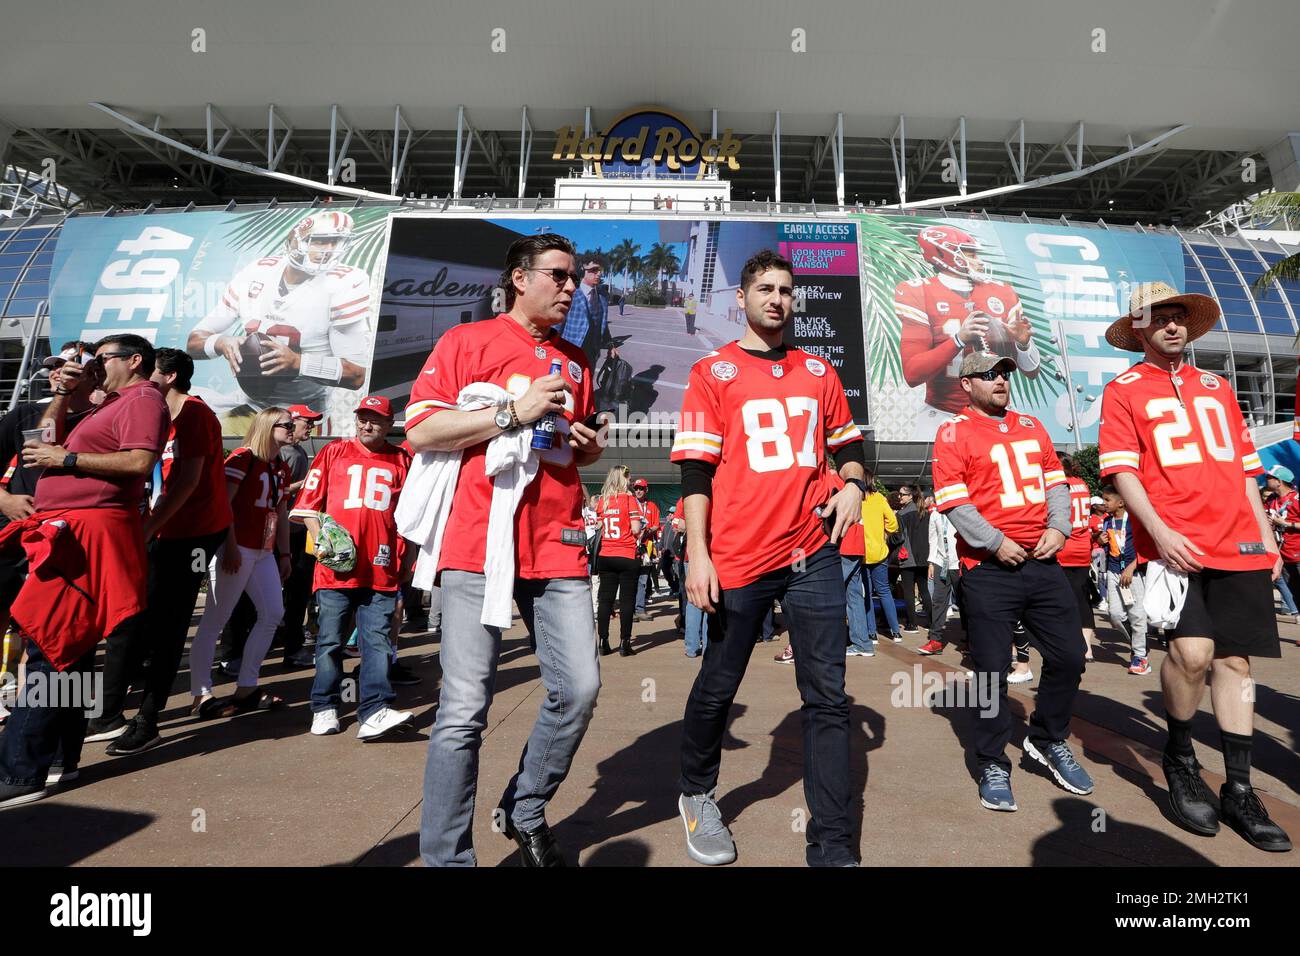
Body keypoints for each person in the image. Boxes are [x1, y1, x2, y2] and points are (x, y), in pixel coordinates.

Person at [407, 233, 605, 867]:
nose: (572, 286)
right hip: (477, 542)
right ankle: (448, 860)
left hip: (559, 542)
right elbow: (421, 430)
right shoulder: (466, 341)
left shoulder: (577, 360)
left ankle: (524, 806)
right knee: (464, 710)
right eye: (559, 275)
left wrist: (587, 445)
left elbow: (574, 442)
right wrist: (511, 413)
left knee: (579, 689)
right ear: (520, 278)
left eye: (574, 277)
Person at [672, 249, 866, 867]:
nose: (777, 299)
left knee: (829, 699)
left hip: (812, 552)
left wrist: (856, 485)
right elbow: (696, 474)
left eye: (785, 289)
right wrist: (697, 556)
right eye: (764, 289)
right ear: (742, 299)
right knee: (718, 687)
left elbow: (851, 447)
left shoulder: (819, 371)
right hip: (738, 554)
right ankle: (698, 792)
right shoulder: (712, 372)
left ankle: (832, 845)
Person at [1099, 281, 1291, 852]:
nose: (1172, 325)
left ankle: (1239, 787)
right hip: (1176, 543)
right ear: (1139, 328)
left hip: (1240, 542)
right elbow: (1122, 472)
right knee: (1192, 654)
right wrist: (1156, 532)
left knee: (1237, 664)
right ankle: (1180, 759)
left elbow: (1248, 471)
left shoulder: (1219, 386)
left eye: (1179, 315)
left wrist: (1266, 537)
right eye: (1158, 317)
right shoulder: (1123, 390)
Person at [0, 335, 169, 809]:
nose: (93, 366)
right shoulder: (105, 403)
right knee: (67, 648)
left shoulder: (142, 399)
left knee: (49, 641)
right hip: (72, 532)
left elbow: (139, 461)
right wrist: (62, 392)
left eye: (102, 359)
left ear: (134, 362)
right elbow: (44, 442)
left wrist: (67, 459)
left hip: (89, 533)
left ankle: (19, 772)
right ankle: (58, 758)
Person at [931, 350, 1092, 813]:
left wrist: (1059, 529)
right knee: (990, 672)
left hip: (1042, 563)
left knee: (1069, 656)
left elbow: (1056, 484)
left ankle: (1046, 738)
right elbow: (955, 504)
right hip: (988, 569)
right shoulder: (953, 432)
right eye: (988, 374)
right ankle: (990, 761)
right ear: (967, 384)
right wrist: (994, 542)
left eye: (1003, 372)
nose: (1000, 380)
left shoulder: (1032, 426)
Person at [99, 349, 236, 756]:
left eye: (148, 373)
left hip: (190, 534)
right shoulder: (153, 413)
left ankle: (149, 718)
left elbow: (188, 483)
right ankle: (106, 712)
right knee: (134, 619)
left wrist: (147, 531)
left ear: (171, 376)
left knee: (169, 624)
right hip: (160, 530)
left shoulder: (194, 414)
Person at [293, 395, 415, 740]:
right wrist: (323, 543)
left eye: (375, 419)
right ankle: (324, 705)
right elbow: (306, 507)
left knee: (377, 643)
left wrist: (407, 560)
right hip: (337, 570)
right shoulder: (333, 452)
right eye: (362, 417)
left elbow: (411, 518)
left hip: (381, 567)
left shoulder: (402, 459)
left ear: (389, 424)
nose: (366, 424)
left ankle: (374, 709)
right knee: (329, 641)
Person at [186, 211, 371, 430]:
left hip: (305, 416)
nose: (329, 250)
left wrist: (298, 363)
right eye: (320, 241)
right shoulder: (257, 272)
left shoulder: (345, 283)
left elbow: (356, 374)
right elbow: (193, 344)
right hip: (250, 405)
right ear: (294, 242)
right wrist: (221, 342)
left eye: (336, 242)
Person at [187, 408, 293, 718]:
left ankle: (247, 685)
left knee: (273, 613)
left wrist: (284, 553)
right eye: (285, 424)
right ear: (267, 426)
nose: (292, 428)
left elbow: (282, 513)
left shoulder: (280, 467)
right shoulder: (242, 458)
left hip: (263, 551)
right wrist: (229, 546)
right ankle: (200, 694)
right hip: (237, 549)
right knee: (215, 620)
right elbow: (223, 505)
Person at [896, 225, 1041, 442]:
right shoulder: (919, 292)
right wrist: (958, 340)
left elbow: (1031, 371)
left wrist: (1023, 344)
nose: (978, 260)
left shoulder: (1002, 292)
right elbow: (913, 373)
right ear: (943, 254)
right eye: (969, 252)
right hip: (942, 414)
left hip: (997, 414)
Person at [278, 403, 323, 667]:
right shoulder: (289, 454)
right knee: (295, 593)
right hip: (287, 533)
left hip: (292, 533)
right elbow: (280, 491)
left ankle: (286, 641)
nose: (311, 426)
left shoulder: (295, 452)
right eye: (307, 421)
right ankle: (292, 648)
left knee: (294, 593)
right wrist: (306, 485)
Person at [1098, 484, 1148, 674]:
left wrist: (1132, 567)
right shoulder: (1107, 522)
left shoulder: (1133, 522)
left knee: (1137, 615)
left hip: (1132, 573)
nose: (1104, 503)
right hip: (1113, 572)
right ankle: (1138, 642)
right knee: (1115, 615)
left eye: (1107, 500)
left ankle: (1140, 656)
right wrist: (1100, 540)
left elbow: (1144, 549)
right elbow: (1108, 546)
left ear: (1121, 502)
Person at [593, 466, 643, 656]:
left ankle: (603, 642)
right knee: (627, 601)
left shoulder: (603, 501)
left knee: (605, 600)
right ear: (624, 479)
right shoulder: (629, 499)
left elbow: (598, 526)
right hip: (626, 553)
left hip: (606, 554)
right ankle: (625, 642)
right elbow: (636, 528)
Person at [1058, 455, 1100, 666]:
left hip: (1063, 547)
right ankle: (1088, 648)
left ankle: (1067, 643)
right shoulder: (1082, 484)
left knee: (1061, 600)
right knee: (1083, 600)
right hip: (1083, 547)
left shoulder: (1060, 485)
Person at [558, 255, 618, 370]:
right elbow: (557, 323)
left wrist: (610, 345)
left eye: (600, 271)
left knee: (587, 385)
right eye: (594, 270)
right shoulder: (571, 293)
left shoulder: (602, 296)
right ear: (582, 271)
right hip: (570, 351)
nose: (599, 274)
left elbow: (603, 325)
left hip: (592, 353)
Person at [919, 500, 960, 654]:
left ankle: (970, 640)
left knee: (966, 602)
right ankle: (935, 640)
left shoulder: (960, 512)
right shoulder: (935, 514)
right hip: (941, 563)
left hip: (959, 563)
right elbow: (933, 539)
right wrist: (931, 562)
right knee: (938, 600)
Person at [1264, 466, 1300, 626]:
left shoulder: (1297, 499)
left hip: (1298, 551)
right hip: (1282, 553)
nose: (1266, 480)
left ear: (1278, 481)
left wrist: (1285, 523)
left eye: (1269, 477)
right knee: (1295, 593)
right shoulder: (1271, 499)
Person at [894, 485, 932, 635]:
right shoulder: (925, 512)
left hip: (908, 556)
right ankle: (931, 621)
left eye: (903, 494)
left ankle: (912, 623)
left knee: (908, 591)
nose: (900, 497)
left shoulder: (902, 514)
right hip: (923, 557)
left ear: (910, 496)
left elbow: (899, 537)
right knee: (924, 590)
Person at [632, 478, 660, 619]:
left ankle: (640, 609)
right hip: (630, 545)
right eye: (636, 488)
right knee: (630, 579)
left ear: (646, 490)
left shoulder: (652, 506)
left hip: (645, 547)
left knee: (643, 579)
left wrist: (647, 531)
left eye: (641, 488)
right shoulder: (630, 503)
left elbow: (656, 525)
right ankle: (630, 610)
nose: (638, 491)